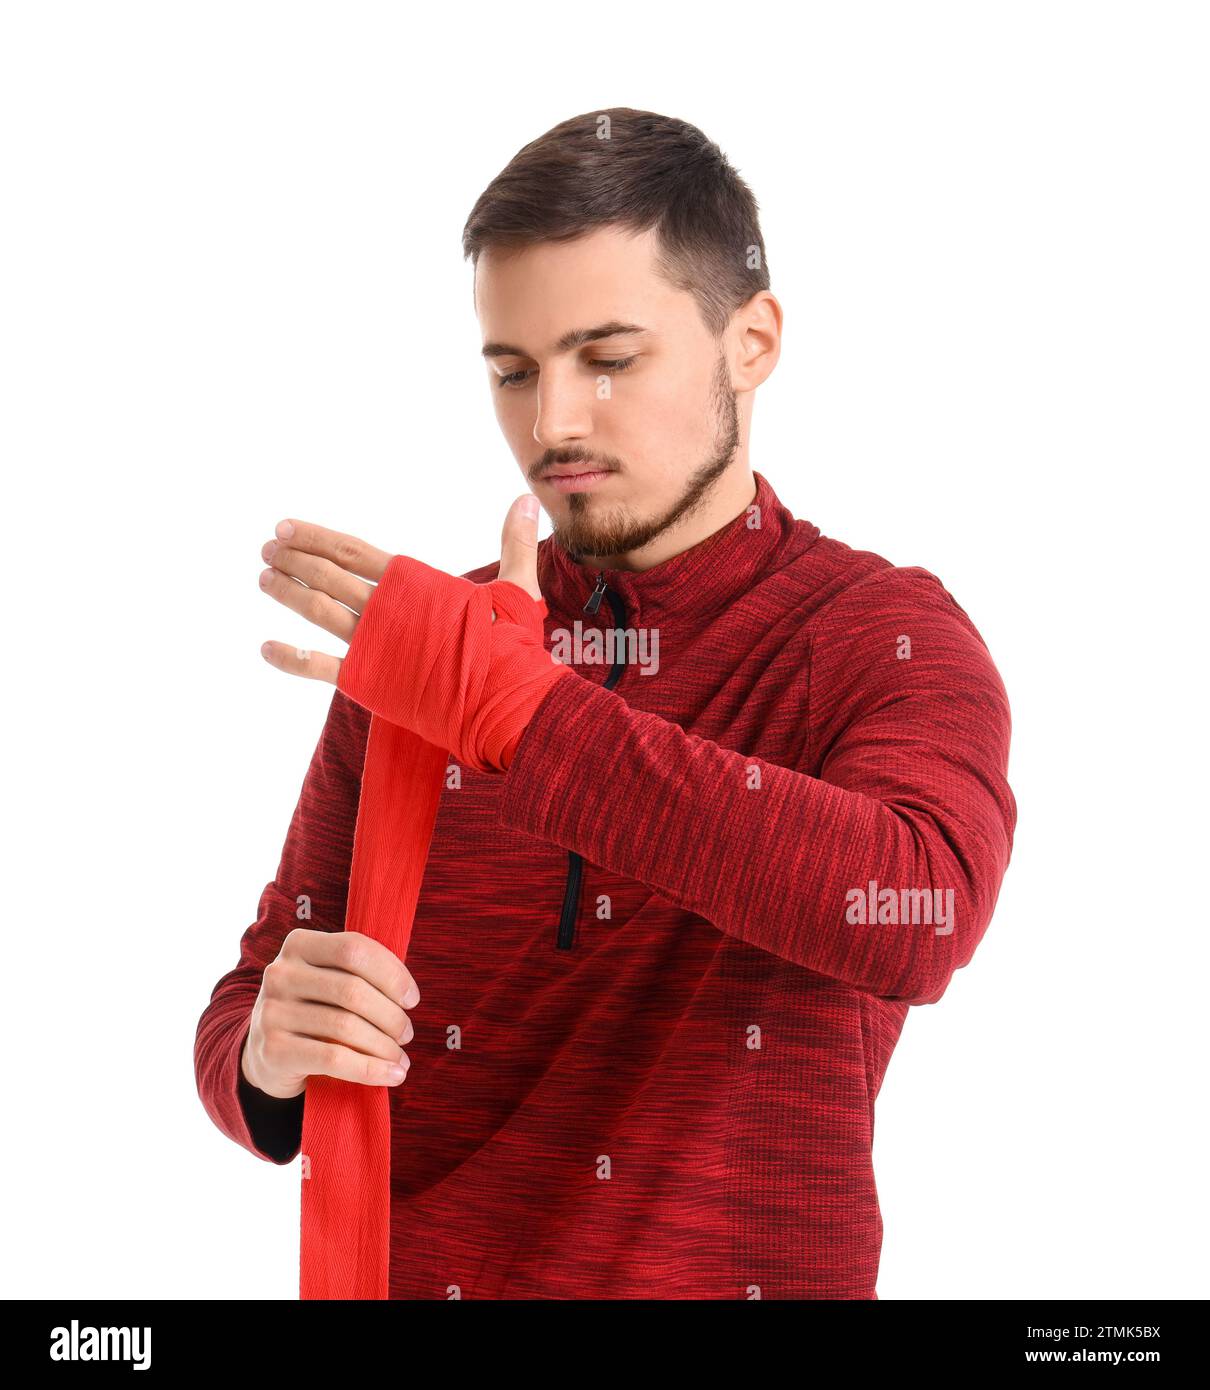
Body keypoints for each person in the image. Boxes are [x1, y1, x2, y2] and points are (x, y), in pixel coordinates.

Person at [194, 107, 1017, 1300]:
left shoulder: (875, 635)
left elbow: (916, 911)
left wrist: (525, 718)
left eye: (608, 359)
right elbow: (250, 1000)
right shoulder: (430, 653)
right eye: (512, 371)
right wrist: (267, 1056)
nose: (552, 425)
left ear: (753, 341)